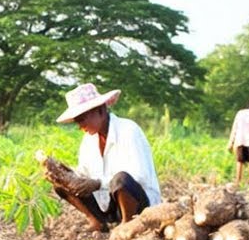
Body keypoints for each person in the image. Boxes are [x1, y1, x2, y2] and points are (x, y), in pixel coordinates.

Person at [46, 82, 162, 232]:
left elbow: (140, 176)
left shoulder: (128, 130)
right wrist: (65, 173)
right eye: (77, 121)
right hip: (108, 205)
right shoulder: (89, 140)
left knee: (121, 180)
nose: (80, 126)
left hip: (139, 205)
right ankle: (96, 221)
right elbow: (84, 174)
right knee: (62, 184)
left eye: (82, 119)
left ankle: (127, 225)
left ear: (100, 110)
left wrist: (98, 183)